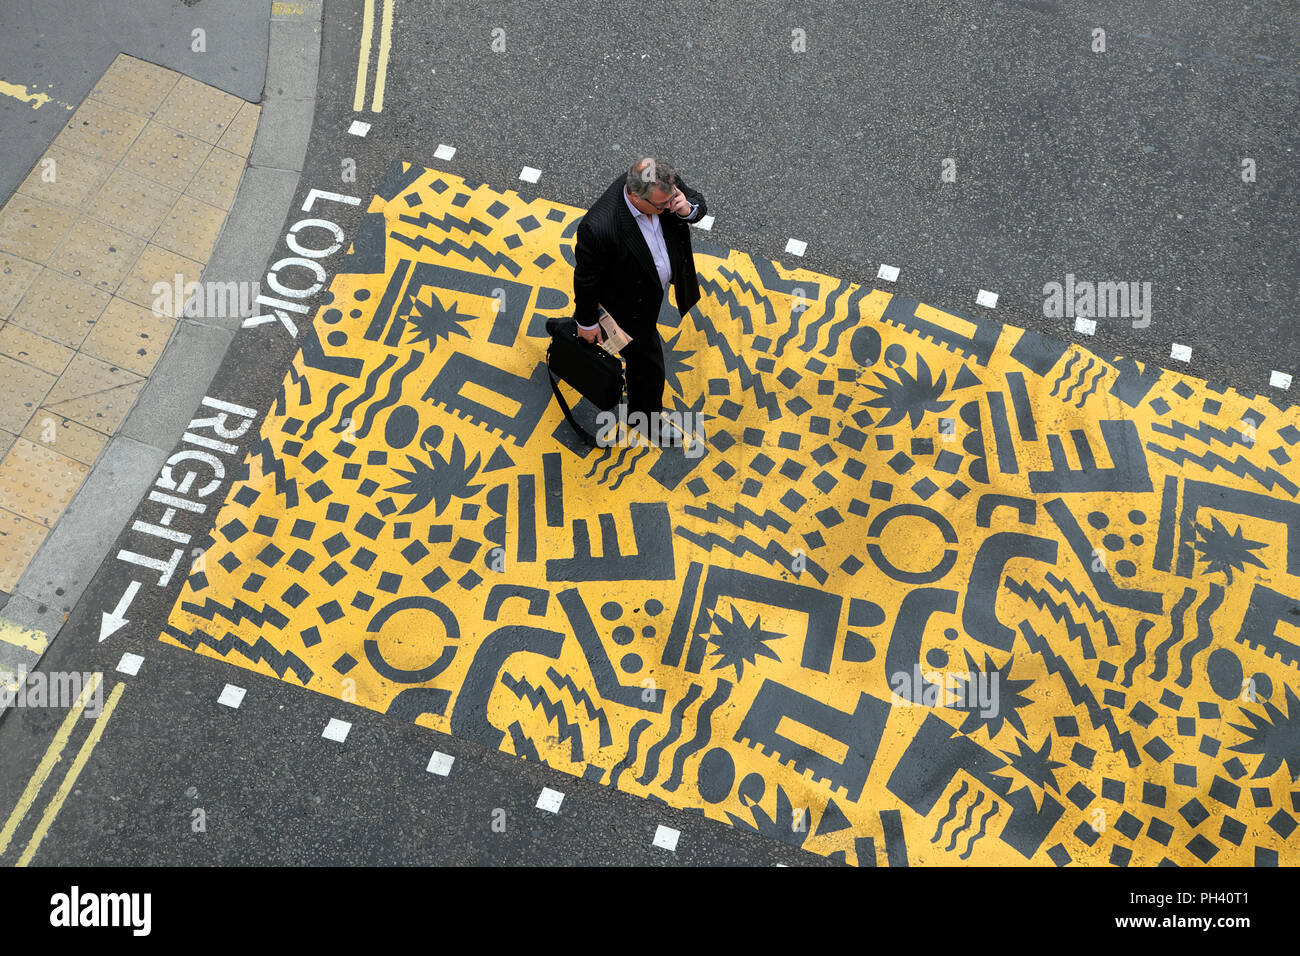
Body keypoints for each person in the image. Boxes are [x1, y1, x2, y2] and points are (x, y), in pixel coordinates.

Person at [572, 157, 708, 439]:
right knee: (647, 363)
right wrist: (587, 322)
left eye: (672, 200)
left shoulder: (661, 183)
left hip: (650, 289)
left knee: (624, 347)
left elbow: (696, 202)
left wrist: (686, 210)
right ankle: (645, 420)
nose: (669, 206)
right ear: (635, 196)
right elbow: (587, 280)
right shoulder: (599, 227)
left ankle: (573, 331)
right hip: (627, 303)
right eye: (662, 206)